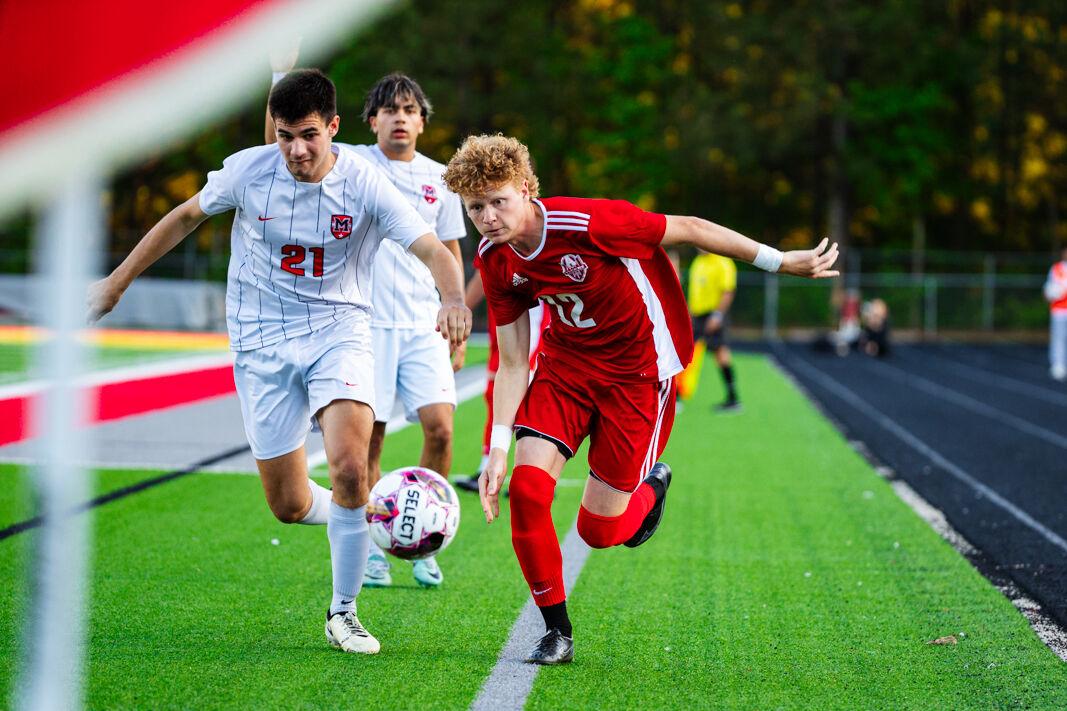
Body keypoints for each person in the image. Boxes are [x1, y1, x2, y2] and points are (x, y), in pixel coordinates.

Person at [89, 69, 471, 655]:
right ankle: (363, 514)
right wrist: (116, 285)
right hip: (260, 342)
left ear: (335, 129)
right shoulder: (249, 170)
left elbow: (430, 248)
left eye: (310, 135)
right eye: (287, 135)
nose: (296, 149)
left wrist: (451, 299)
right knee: (289, 504)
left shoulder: (366, 184)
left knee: (348, 465)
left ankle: (343, 611)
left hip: (339, 332)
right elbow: (185, 218)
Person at [441, 134, 839, 664]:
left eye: (499, 200)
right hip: (565, 372)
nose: (488, 216)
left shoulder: (590, 223)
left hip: (639, 377)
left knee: (599, 531)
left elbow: (692, 229)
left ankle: (653, 486)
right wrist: (495, 448)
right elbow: (514, 361)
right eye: (476, 207)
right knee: (530, 490)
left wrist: (780, 261)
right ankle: (556, 631)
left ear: (525, 188)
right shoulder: (494, 260)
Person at [268, 64, 470, 588]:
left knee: (442, 431)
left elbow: (448, 250)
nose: (400, 119)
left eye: (409, 111)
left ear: (422, 122)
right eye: (389, 111)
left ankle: (425, 535)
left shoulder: (440, 179)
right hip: (366, 325)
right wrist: (280, 74)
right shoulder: (352, 163)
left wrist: (455, 318)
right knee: (369, 446)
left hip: (423, 325)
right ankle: (379, 541)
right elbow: (282, 145)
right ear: (369, 121)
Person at [452, 271, 549, 494]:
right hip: (504, 324)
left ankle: (537, 474)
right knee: (496, 394)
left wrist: (461, 307)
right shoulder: (492, 249)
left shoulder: (528, 244)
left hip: (529, 322)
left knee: (532, 398)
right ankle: (488, 465)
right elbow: (482, 274)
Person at [687, 250, 740, 411]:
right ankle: (676, 395)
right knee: (686, 352)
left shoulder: (723, 261)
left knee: (720, 353)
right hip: (697, 315)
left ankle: (733, 398)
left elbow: (728, 290)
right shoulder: (698, 261)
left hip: (713, 314)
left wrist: (717, 315)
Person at [1044, 247, 1067, 381]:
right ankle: (1058, 364)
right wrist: (1051, 292)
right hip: (1059, 310)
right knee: (1058, 338)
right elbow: (1049, 289)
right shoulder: (1056, 268)